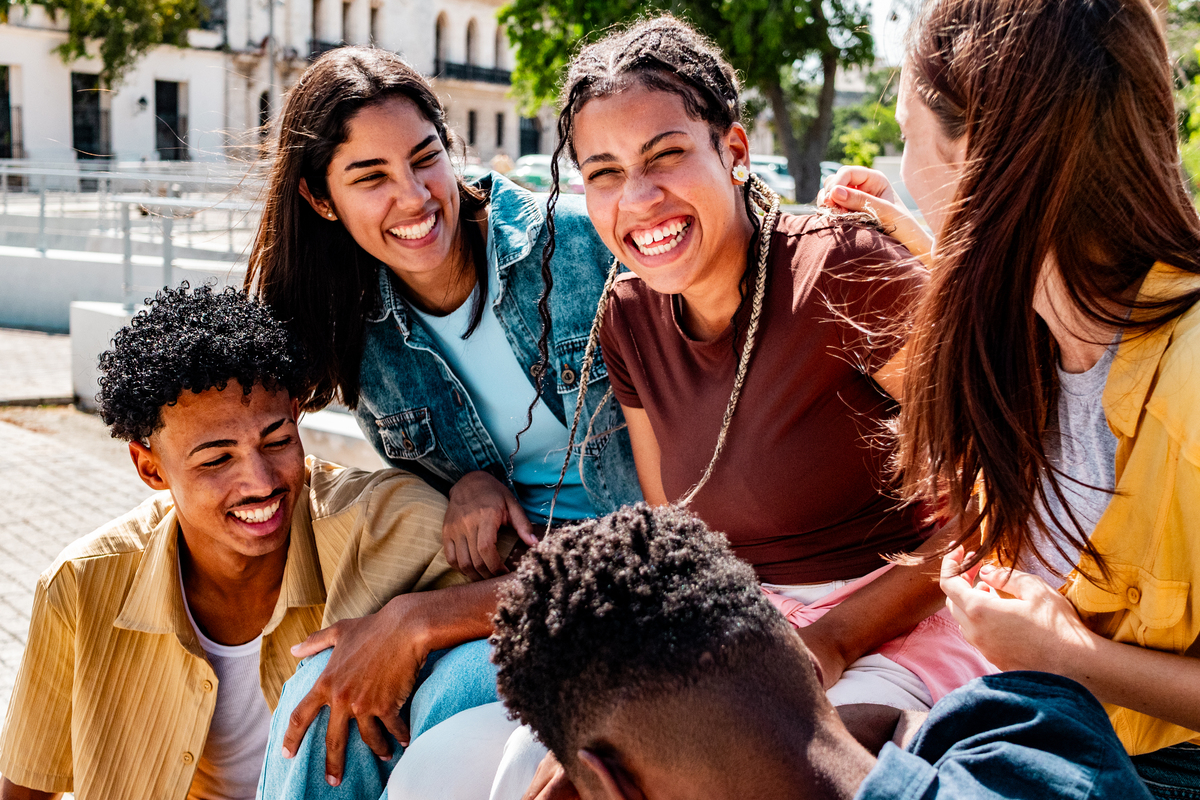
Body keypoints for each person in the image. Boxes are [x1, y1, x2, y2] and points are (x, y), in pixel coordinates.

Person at [543, 16, 990, 727]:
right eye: (605, 173)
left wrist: (831, 640)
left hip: (898, 630)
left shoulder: (842, 267)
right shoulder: (627, 317)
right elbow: (676, 537)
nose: (639, 197)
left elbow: (991, 505)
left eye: (666, 155)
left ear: (734, 151)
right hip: (739, 632)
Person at [820, 0, 1200, 796]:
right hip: (1047, 730)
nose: (902, 168)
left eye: (906, 135)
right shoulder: (1040, 337)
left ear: (974, 154)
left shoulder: (1191, 385)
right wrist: (938, 247)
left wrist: (1067, 656)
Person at [243, 46, 642, 792]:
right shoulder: (354, 329)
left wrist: (417, 619)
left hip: (626, 583)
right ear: (321, 200)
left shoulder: (579, 247)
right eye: (370, 177)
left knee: (444, 697)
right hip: (505, 579)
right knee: (316, 700)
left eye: (425, 158)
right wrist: (468, 483)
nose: (415, 197)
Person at [0, 285, 499, 800]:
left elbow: (544, 591)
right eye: (217, 460)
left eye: (278, 441)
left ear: (297, 416)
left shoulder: (383, 523)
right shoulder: (80, 585)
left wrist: (415, 619)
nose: (261, 483)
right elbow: (26, 789)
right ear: (150, 468)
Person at [488, 503, 1153, 800]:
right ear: (800, 650)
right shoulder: (1045, 736)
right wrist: (796, 723)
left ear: (612, 786)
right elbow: (927, 737)